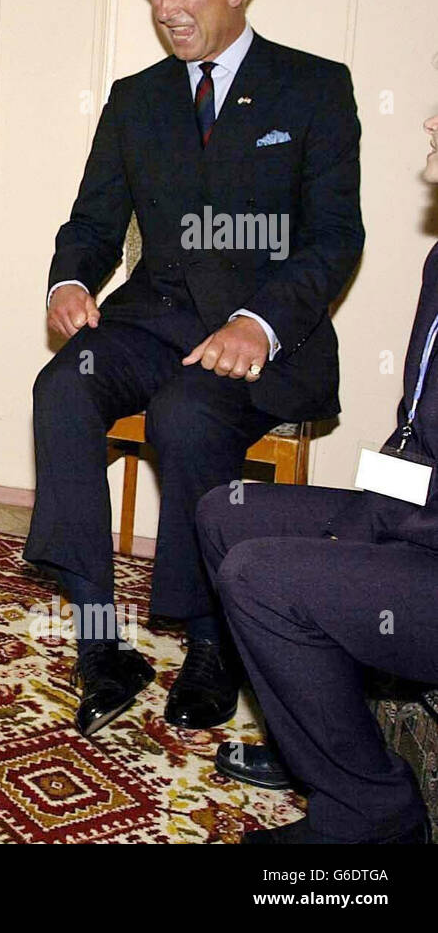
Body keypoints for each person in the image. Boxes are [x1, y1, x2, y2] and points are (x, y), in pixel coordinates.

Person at [23, 0, 366, 738]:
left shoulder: (314, 87)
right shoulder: (135, 99)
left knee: (185, 413)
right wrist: (69, 280)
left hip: (261, 335)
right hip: (154, 320)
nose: (164, 6)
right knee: (64, 386)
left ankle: (212, 641)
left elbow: (334, 237)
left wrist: (259, 320)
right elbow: (94, 222)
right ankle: (101, 639)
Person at [197, 112, 438, 846]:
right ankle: (322, 743)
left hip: (430, 534)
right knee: (225, 510)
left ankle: (374, 816)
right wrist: (385, 504)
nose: (431, 117)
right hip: (418, 505)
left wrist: (394, 522)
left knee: (263, 576)